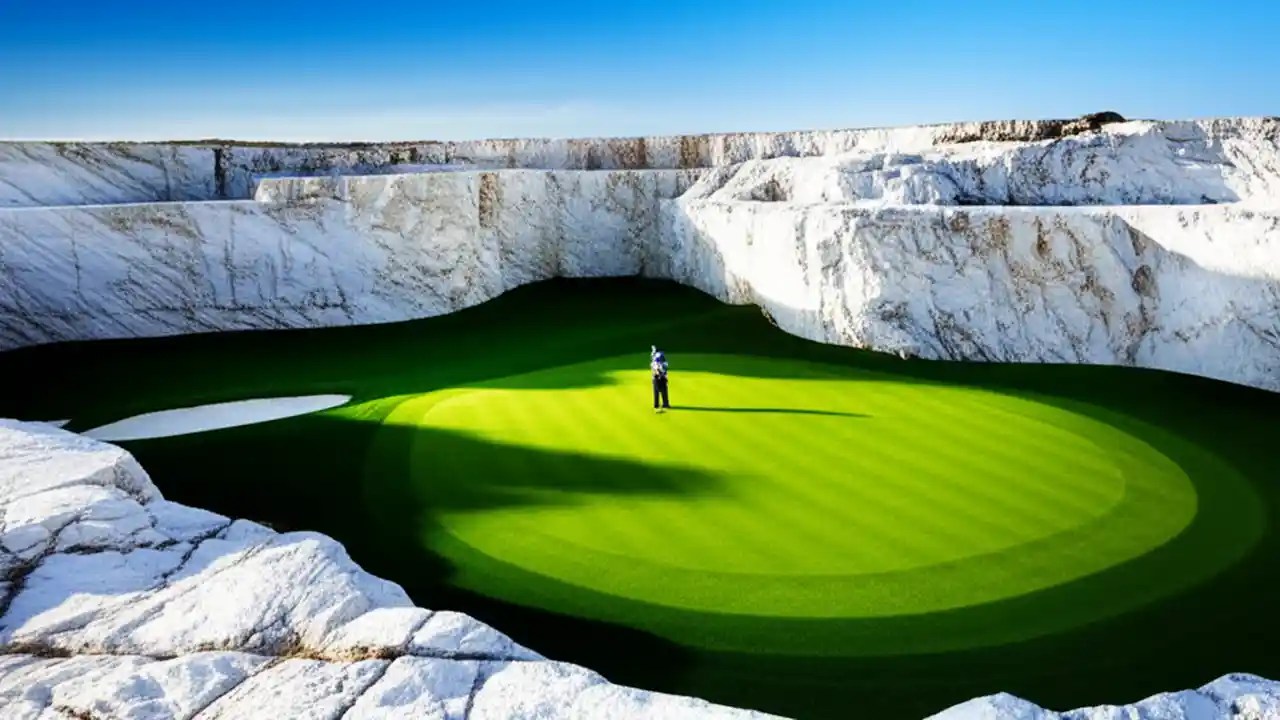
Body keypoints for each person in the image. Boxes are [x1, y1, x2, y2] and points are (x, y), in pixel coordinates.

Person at [650, 345, 670, 412]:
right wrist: (660, 374)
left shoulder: (656, 360)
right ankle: (661, 404)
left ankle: (660, 404)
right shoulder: (657, 361)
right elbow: (659, 369)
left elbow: (663, 369)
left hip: (658, 377)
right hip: (658, 378)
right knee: (661, 390)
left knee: (657, 391)